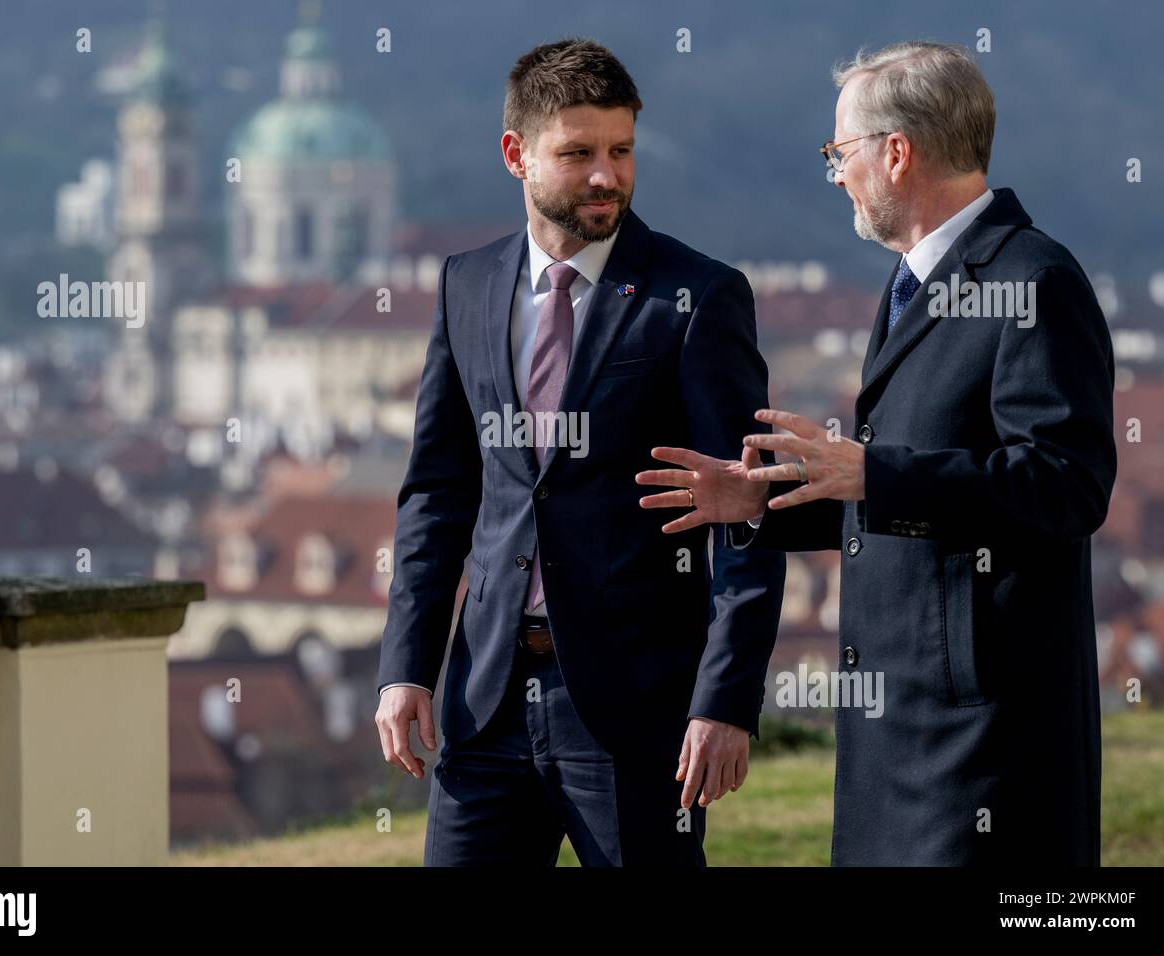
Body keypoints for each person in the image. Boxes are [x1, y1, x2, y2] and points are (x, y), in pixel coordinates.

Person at [637, 40, 1116, 865]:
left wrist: (875, 472)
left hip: (981, 744)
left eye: (841, 153)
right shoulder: (910, 286)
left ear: (896, 154)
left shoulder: (1034, 282)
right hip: (896, 739)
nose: (835, 175)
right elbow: (904, 493)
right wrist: (765, 500)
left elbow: (1066, 486)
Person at [377, 38, 785, 866]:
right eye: (579, 154)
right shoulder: (467, 283)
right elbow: (438, 494)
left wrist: (727, 701)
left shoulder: (698, 296)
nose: (607, 175)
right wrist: (406, 668)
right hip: (482, 698)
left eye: (622, 150)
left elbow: (749, 510)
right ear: (515, 155)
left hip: (637, 711)